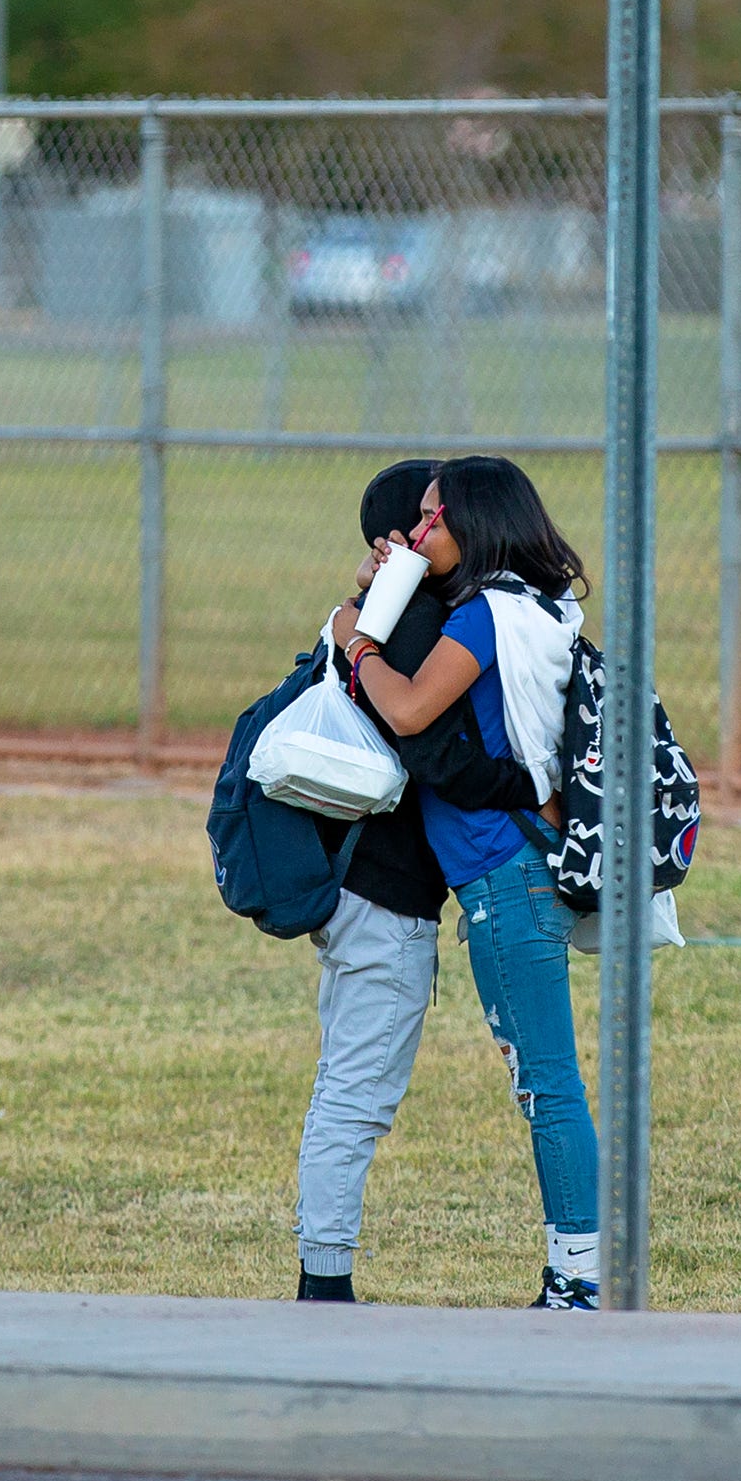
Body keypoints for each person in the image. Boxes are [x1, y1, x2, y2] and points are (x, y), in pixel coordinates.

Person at [329, 455, 599, 1312]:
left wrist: (356, 642)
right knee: (545, 1079)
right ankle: (579, 1272)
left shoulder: (483, 616)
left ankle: (581, 1278)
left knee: (546, 1082)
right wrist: (379, 581)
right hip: (516, 874)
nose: (418, 531)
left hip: (505, 878)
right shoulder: (532, 604)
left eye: (431, 518)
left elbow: (408, 709)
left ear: (474, 524)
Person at [291, 460, 539, 1305]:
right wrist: (530, 787)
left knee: (348, 1084)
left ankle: (323, 1274)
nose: (441, 526)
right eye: (426, 517)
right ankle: (324, 1284)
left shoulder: (378, 611)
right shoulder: (413, 621)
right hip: (382, 895)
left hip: (357, 883)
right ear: (399, 537)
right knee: (356, 1094)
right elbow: (435, 755)